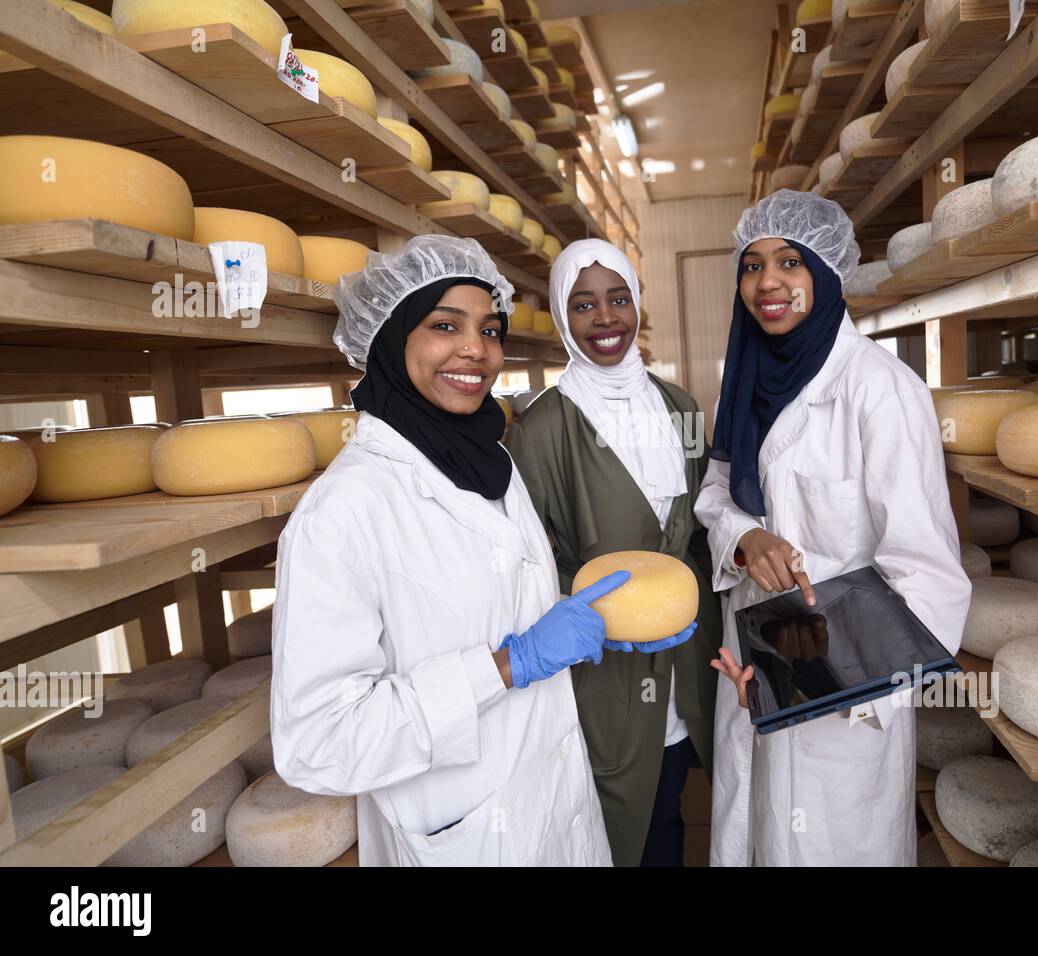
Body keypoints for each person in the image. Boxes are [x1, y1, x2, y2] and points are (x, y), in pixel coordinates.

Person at [270, 235, 637, 866]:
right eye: (445, 325)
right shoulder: (344, 511)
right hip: (461, 836)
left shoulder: (492, 461)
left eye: (490, 329)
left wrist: (586, 624)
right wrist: (507, 666)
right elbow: (319, 742)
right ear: (390, 338)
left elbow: (498, 601)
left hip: (555, 808)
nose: (477, 349)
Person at [695, 190, 972, 866]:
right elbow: (714, 489)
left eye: (790, 262)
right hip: (755, 667)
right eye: (752, 264)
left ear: (826, 273)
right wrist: (743, 536)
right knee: (755, 836)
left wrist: (815, 675)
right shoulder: (747, 381)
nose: (768, 283)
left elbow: (929, 574)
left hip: (845, 695)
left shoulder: (879, 389)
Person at [503, 239, 720, 867]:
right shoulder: (542, 427)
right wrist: (578, 601)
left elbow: (702, 525)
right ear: (563, 318)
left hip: (685, 655)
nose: (605, 319)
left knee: (672, 800)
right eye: (583, 304)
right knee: (618, 816)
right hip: (604, 667)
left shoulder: (677, 406)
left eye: (618, 299)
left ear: (636, 303)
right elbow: (522, 557)